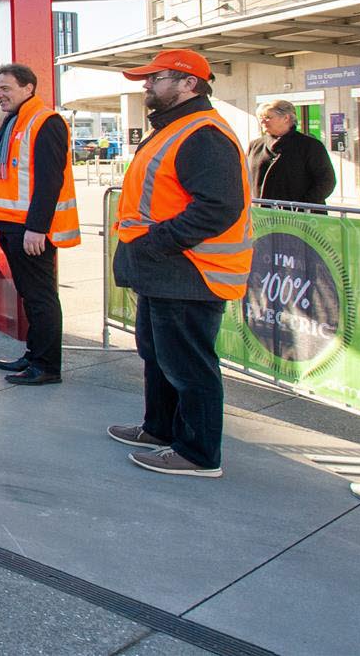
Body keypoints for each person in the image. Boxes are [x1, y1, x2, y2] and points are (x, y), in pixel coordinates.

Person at [110, 49, 251, 478]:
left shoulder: (203, 133)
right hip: (165, 268)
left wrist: (157, 243)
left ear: (189, 83)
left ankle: (198, 453)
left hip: (189, 269)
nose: (146, 84)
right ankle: (160, 429)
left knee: (188, 365)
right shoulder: (174, 128)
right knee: (158, 355)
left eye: (156, 78)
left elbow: (218, 207)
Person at [0, 63, 79, 386]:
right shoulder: (16, 122)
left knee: (40, 298)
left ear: (28, 88)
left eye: (6, 88)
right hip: (12, 225)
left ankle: (47, 365)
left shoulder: (45, 121)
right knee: (30, 295)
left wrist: (37, 227)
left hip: (30, 229)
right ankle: (34, 354)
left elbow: (50, 179)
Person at [247, 99, 335, 206]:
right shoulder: (255, 145)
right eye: (260, 118)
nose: (262, 122)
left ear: (286, 118)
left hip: (298, 214)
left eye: (268, 117)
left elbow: (326, 181)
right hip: (260, 212)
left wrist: (302, 206)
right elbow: (244, 177)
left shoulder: (310, 146)